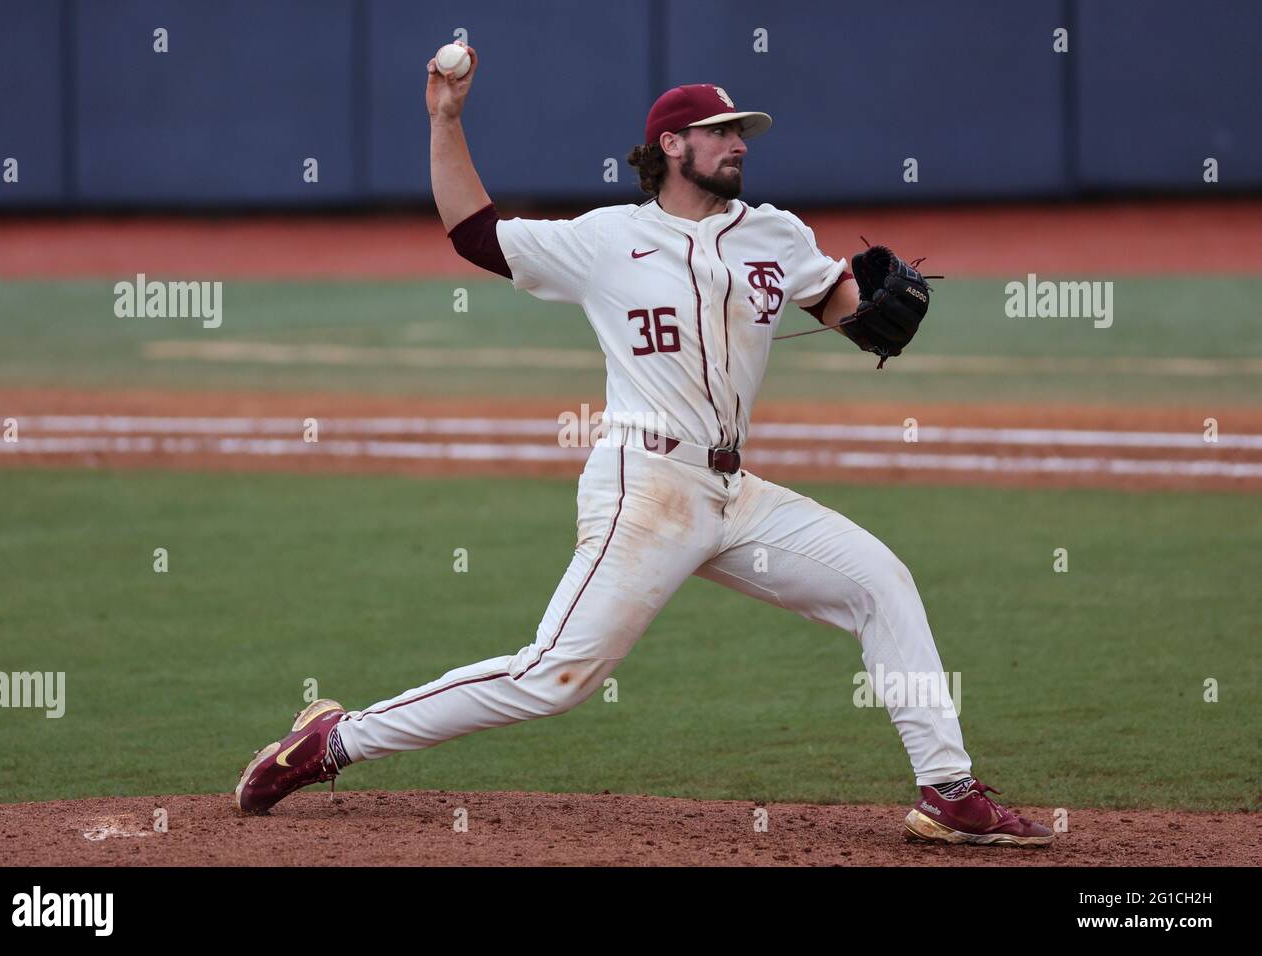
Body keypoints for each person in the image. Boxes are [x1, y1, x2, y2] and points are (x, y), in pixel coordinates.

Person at [236, 44, 1053, 848]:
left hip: (738, 494)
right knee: (553, 677)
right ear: (671, 145)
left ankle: (948, 791)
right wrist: (446, 120)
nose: (739, 143)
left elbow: (841, 304)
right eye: (722, 131)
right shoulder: (606, 240)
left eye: (743, 132)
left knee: (881, 583)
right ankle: (334, 740)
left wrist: (869, 303)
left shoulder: (774, 234)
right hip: (645, 484)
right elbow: (473, 233)